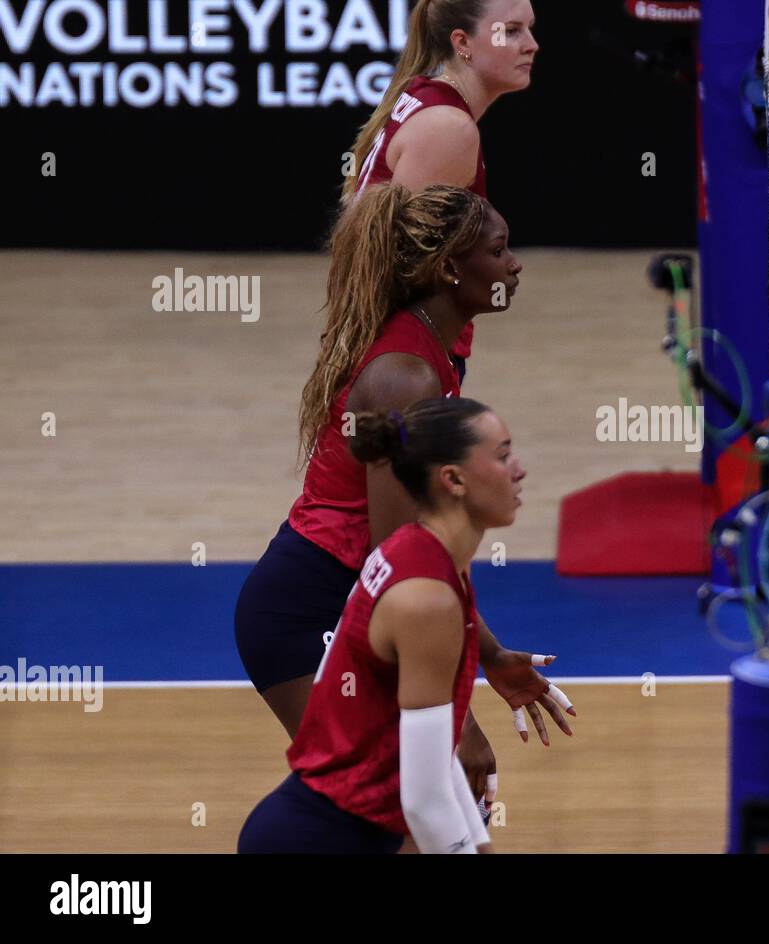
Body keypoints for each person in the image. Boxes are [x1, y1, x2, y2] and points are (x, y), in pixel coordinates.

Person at [234, 184, 572, 806]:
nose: (515, 265)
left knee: (408, 811)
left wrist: (490, 655)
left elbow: (427, 550)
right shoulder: (403, 376)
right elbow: (395, 559)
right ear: (449, 269)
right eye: (499, 251)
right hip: (306, 614)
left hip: (352, 604)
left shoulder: (430, 356)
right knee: (381, 803)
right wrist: (456, 721)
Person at [240, 399, 536, 854]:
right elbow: (424, 800)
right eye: (502, 455)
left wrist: (479, 847)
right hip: (315, 841)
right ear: (453, 480)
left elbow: (436, 768)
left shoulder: (426, 556)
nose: (519, 470)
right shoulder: (426, 599)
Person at [346, 0, 539, 383]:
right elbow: (397, 267)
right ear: (462, 42)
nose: (532, 44)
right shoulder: (448, 129)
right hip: (402, 356)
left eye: (531, 28)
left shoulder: (429, 98)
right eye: (512, 31)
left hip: (398, 352)